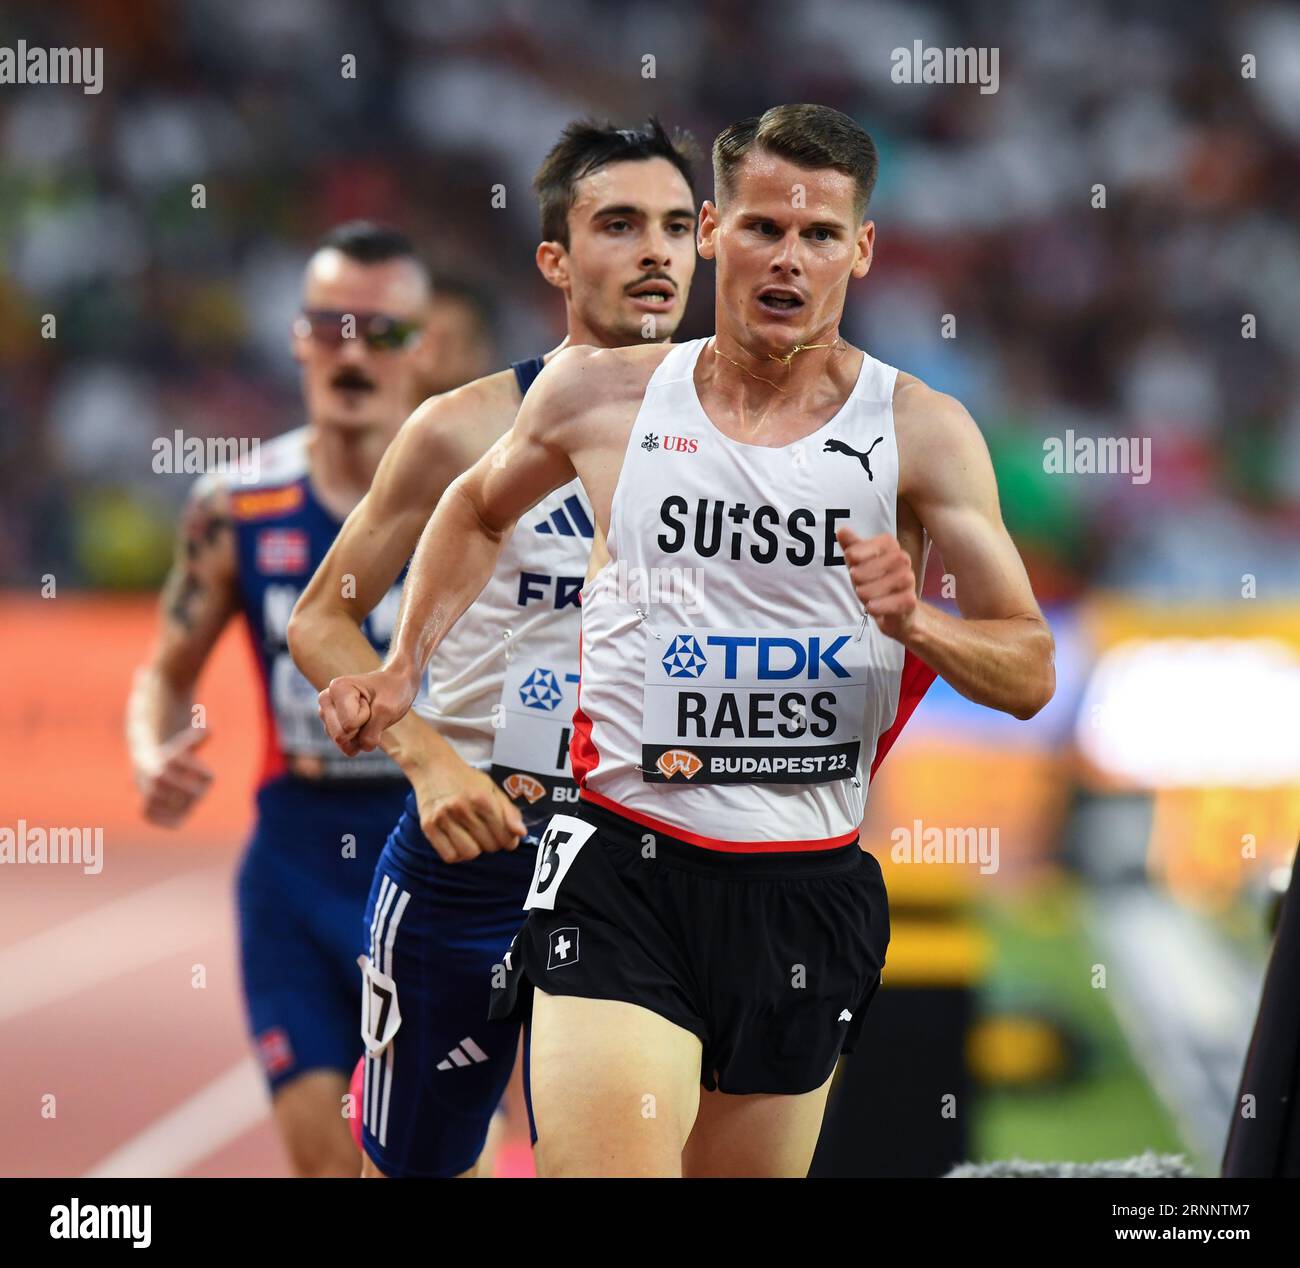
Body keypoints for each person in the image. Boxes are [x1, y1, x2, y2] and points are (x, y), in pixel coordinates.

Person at [319, 102, 1055, 1178]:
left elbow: (1029, 667)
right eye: (761, 227)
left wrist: (914, 621)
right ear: (716, 234)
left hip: (803, 893)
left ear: (861, 249)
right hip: (619, 871)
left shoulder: (921, 431)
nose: (786, 259)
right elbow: (475, 510)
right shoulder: (602, 397)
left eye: (816, 235)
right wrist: (401, 666)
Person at [289, 117, 699, 1178]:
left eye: (672, 226)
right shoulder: (462, 429)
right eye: (617, 224)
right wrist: (427, 759)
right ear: (556, 260)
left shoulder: (758, 441)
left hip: (651, 864)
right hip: (477, 849)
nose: (653, 251)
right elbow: (322, 619)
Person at [126, 221, 432, 1176]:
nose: (352, 351)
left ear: (423, 347)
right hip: (294, 866)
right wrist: (151, 750)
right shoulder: (236, 505)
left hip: (429, 853)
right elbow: (164, 676)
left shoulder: (473, 501)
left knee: (436, 1158)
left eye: (381, 332)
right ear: (298, 337)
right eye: (330, 325)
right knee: (325, 1165)